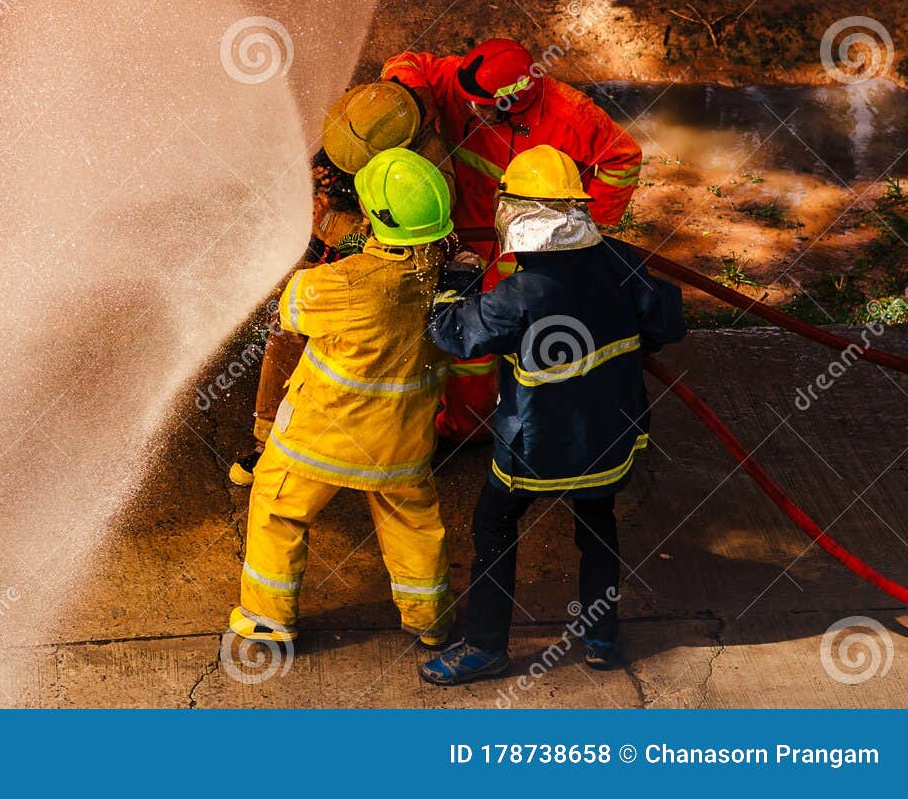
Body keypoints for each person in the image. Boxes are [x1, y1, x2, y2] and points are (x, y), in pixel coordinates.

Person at [417, 145, 685, 685]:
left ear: (516, 216)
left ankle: (486, 648)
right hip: (609, 439)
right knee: (598, 526)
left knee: (494, 524)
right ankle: (601, 638)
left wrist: (455, 281)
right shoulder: (621, 262)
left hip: (535, 448)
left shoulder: (518, 295)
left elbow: (451, 333)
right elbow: (667, 324)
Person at [228, 148, 456, 649]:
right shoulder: (448, 273)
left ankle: (268, 621)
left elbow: (291, 310)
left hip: (322, 437)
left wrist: (342, 247)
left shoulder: (343, 283)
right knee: (414, 524)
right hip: (402, 442)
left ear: (377, 218)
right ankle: (430, 621)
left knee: (277, 507)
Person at [381, 38, 644, 443]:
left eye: (482, 107)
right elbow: (405, 62)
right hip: (466, 233)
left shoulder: (570, 114)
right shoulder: (458, 81)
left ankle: (507, 418)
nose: (471, 111)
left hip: (530, 249)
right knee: (467, 341)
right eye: (468, 103)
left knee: (511, 333)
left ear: (514, 102)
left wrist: (587, 229)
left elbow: (622, 157)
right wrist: (419, 99)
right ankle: (465, 426)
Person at [230, 81, 454, 485]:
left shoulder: (429, 175)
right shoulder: (378, 109)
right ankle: (266, 435)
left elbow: (400, 250)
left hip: (380, 279)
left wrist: (335, 224)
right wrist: (324, 179)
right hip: (354, 257)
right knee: (281, 330)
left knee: (296, 331)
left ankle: (280, 445)